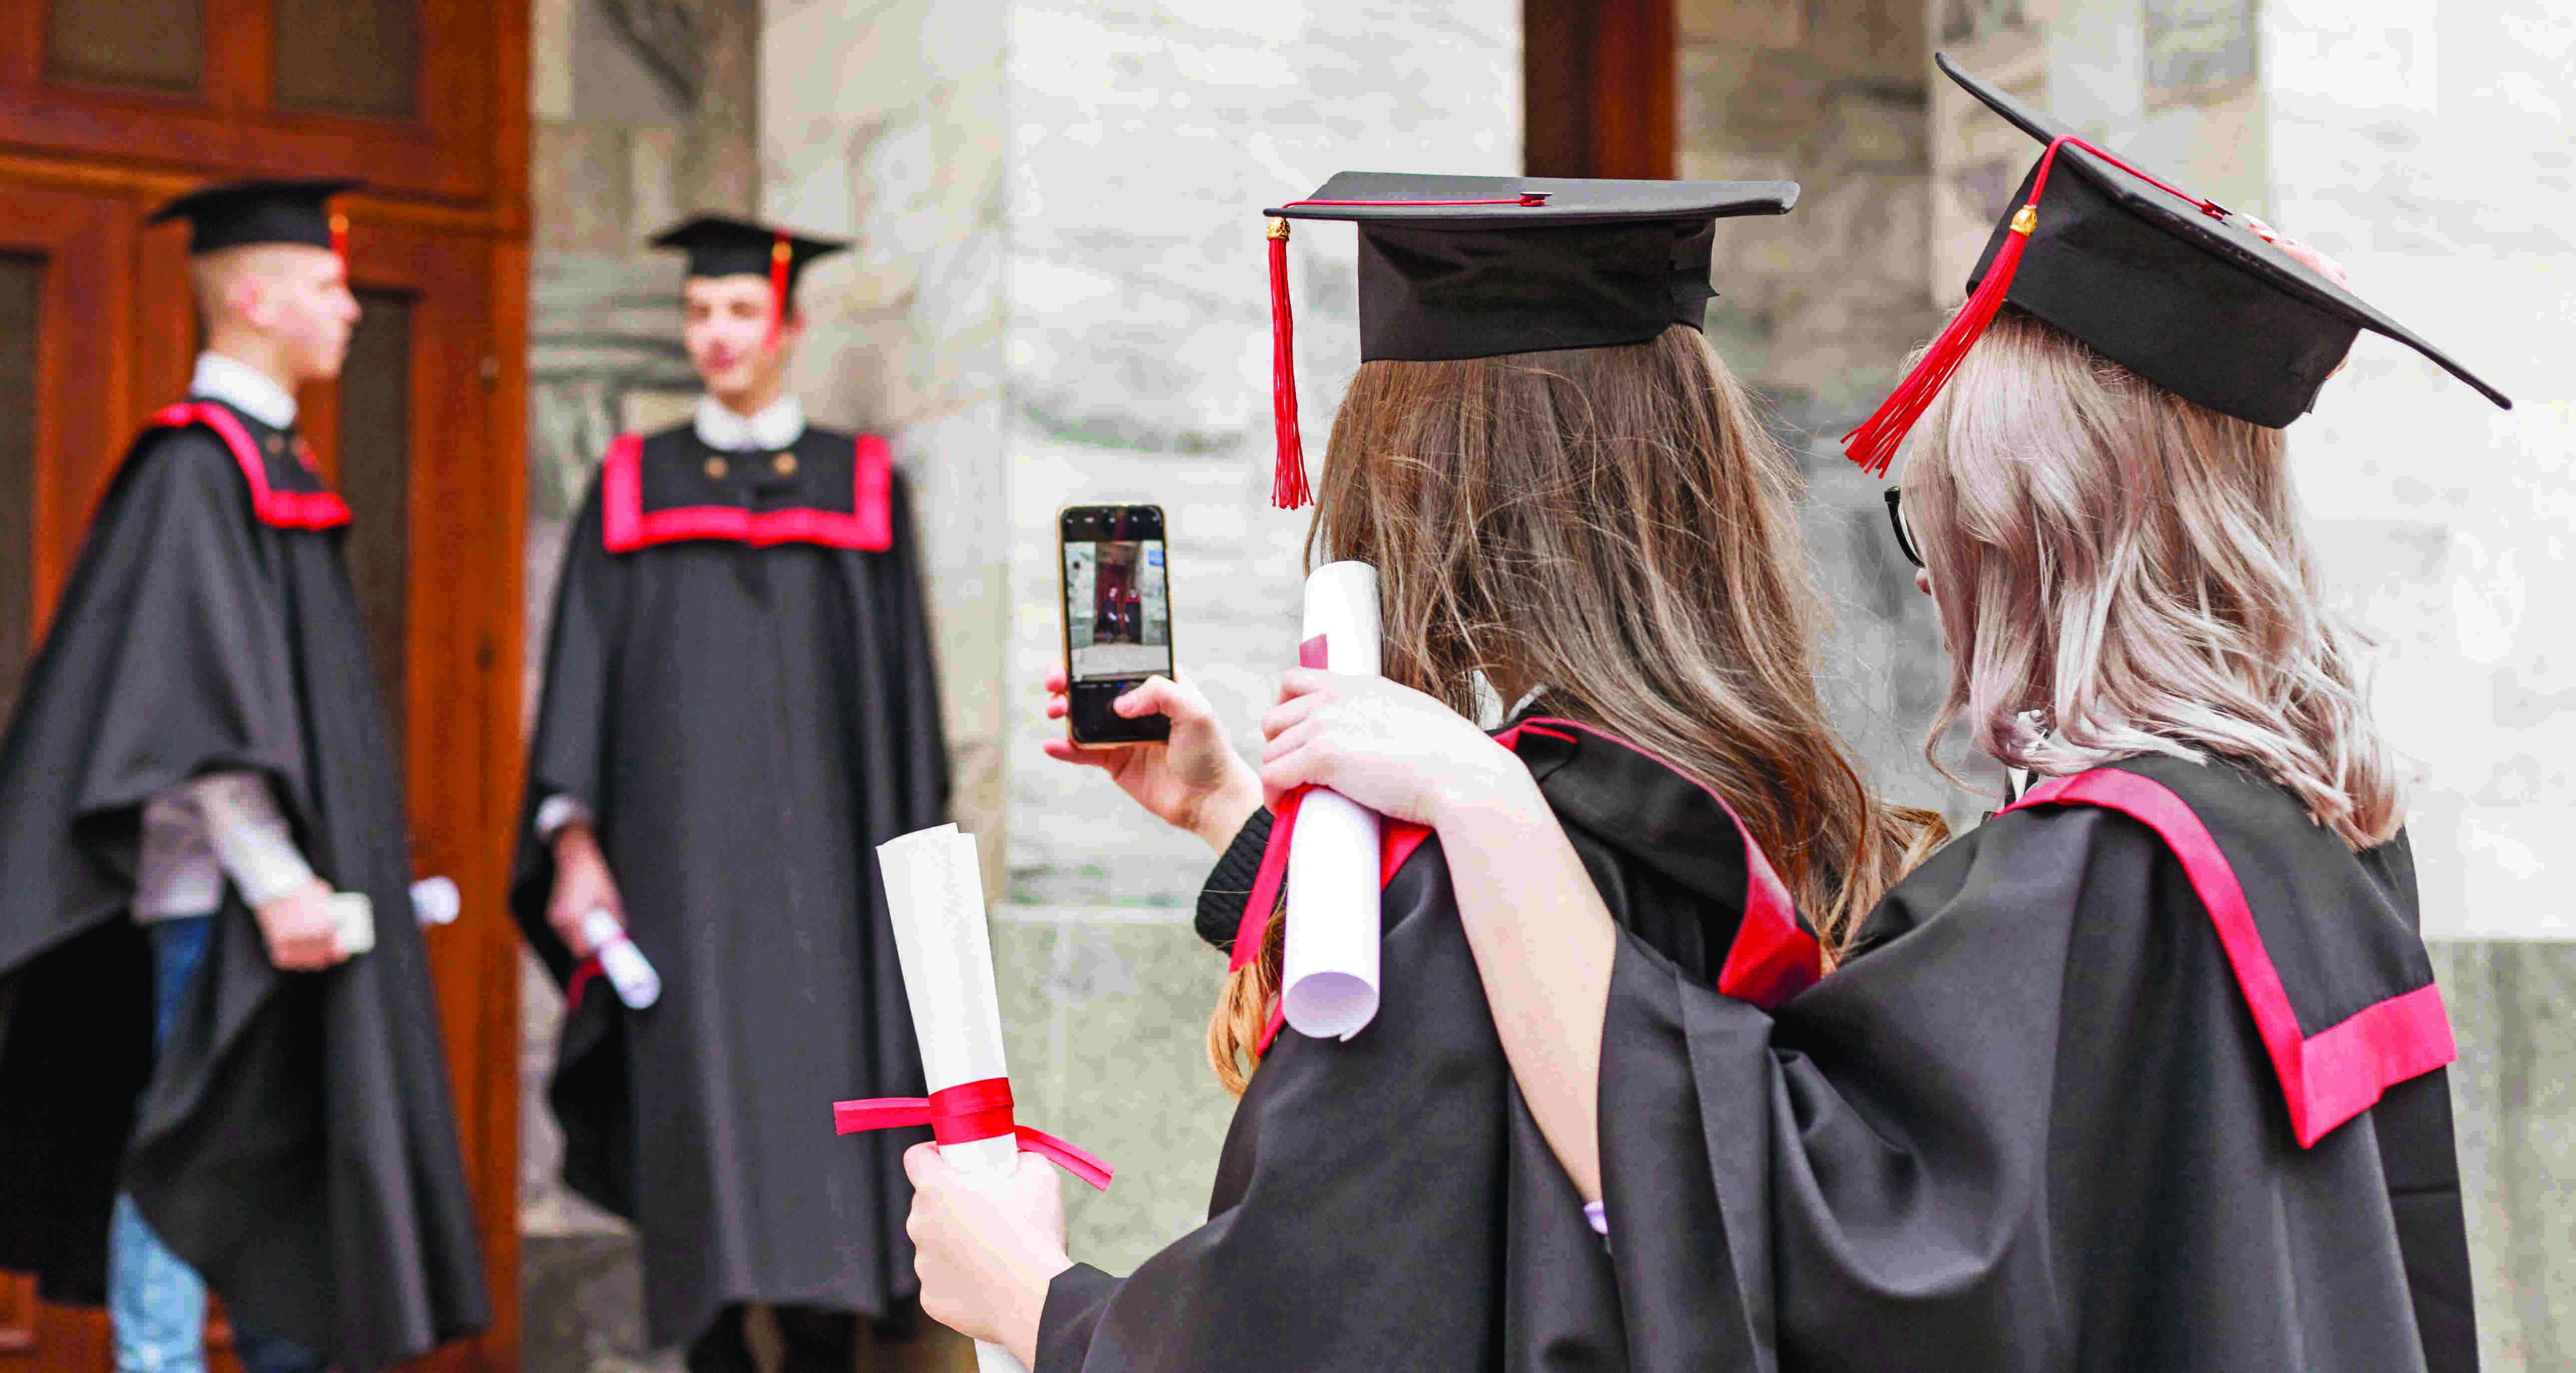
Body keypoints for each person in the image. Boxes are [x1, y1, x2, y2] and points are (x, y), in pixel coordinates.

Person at [1154, 58, 2510, 1372]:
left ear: (2030, 539)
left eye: (1933, 526)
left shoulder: (2104, 873)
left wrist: (1483, 800)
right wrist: (1249, 825)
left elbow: (1811, 1244)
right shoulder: (2315, 843)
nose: (1925, 587)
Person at [900, 172, 1948, 1369]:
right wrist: (1231, 816)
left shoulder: (1490, 859)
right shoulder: (1754, 809)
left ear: (1423, 490)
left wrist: (1033, 1297)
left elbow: (1313, 1330)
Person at [0, 178, 489, 1373]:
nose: (352, 309)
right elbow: (183, 706)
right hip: (219, 904)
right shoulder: (195, 465)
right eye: (327, 286)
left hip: (280, 902)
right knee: (182, 1153)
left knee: (280, 1158)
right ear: (258, 298)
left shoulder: (274, 460)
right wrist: (276, 879)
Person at [513, 214, 950, 1373]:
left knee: (825, 1137)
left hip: (832, 901)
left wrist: (916, 886)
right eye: (700, 310)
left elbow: (902, 703)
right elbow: (581, 677)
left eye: (741, 311)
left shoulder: (860, 488)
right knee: (696, 1153)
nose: (717, 333)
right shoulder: (633, 484)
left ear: (787, 327)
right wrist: (574, 848)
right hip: (679, 886)